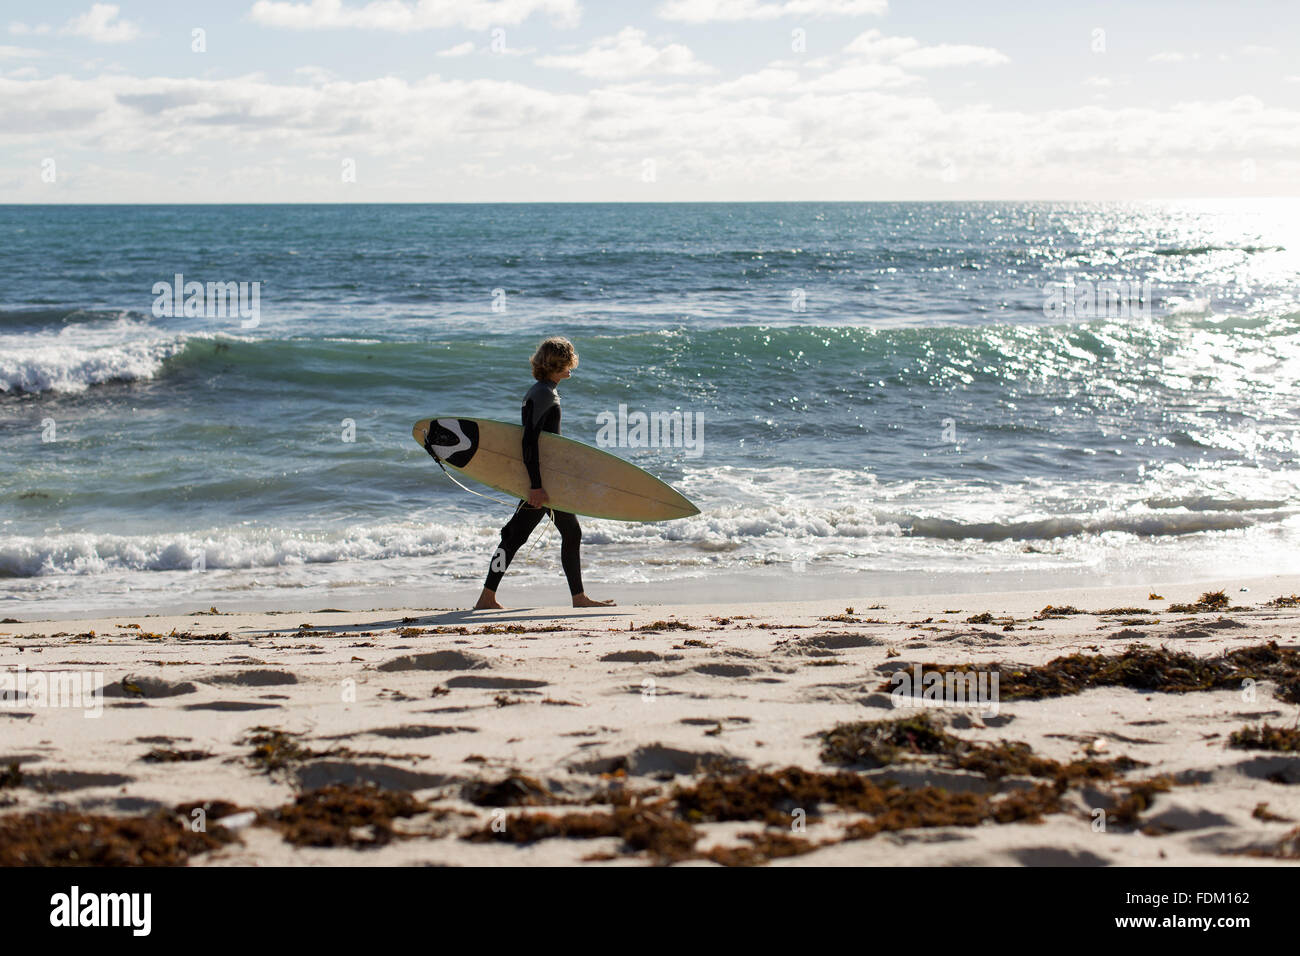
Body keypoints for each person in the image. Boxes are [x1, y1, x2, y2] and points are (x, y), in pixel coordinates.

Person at [474, 337, 615, 610]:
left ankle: (577, 598)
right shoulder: (543, 394)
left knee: (560, 533)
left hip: (547, 480)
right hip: (543, 483)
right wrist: (536, 486)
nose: (573, 363)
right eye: (569, 359)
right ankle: (487, 598)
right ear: (558, 363)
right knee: (516, 536)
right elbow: (529, 442)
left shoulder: (542, 391)